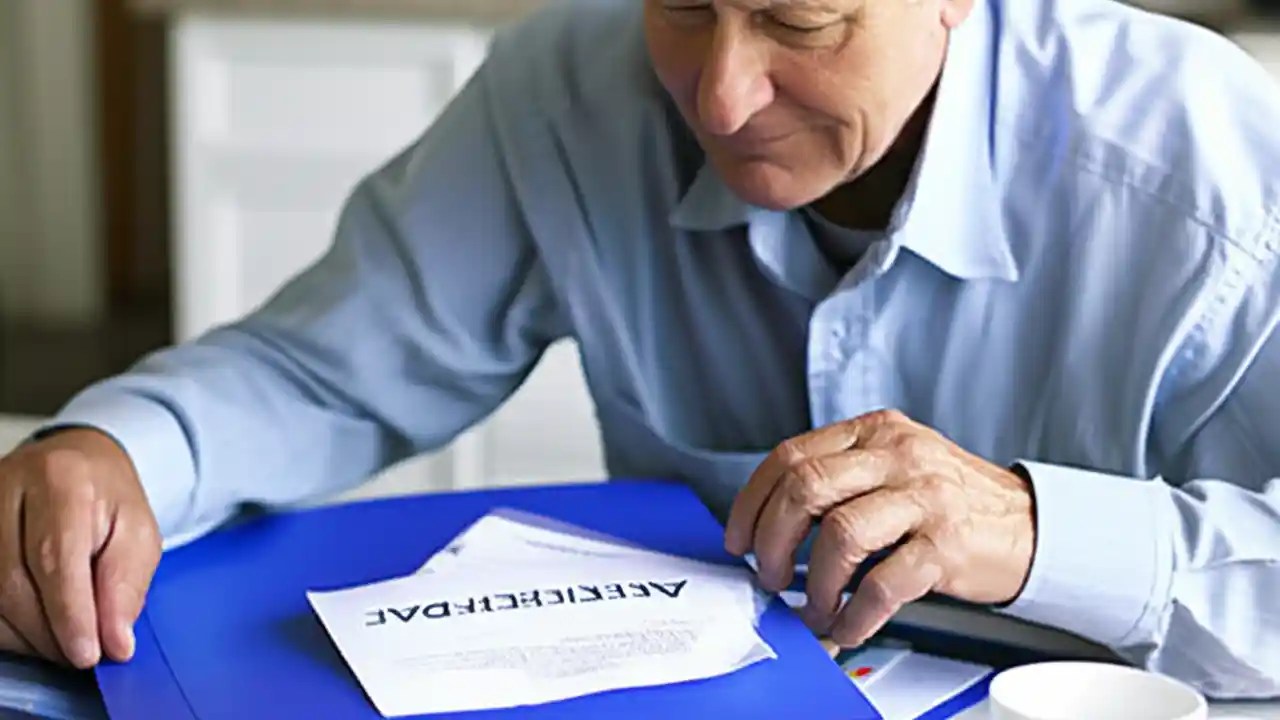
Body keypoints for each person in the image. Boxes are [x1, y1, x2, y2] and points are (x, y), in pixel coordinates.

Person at [0, 0, 1277, 699]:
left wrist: (1035, 533)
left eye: (799, 19)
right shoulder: (561, 87)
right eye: (681, 5)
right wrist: (113, 446)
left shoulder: (1202, 169)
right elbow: (320, 370)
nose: (718, 97)